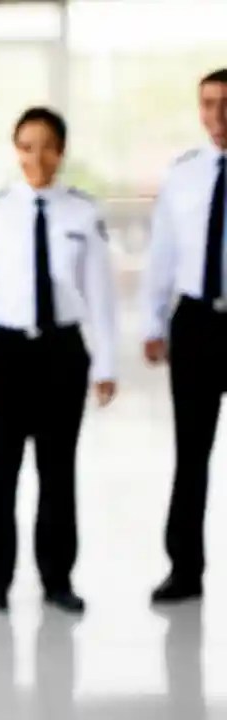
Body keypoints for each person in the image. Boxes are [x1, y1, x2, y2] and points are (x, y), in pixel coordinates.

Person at [0, 106, 118, 616]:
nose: (36, 157)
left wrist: (106, 364)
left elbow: (101, 294)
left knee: (57, 472)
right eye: (26, 146)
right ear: (15, 150)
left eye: (46, 146)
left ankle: (57, 579)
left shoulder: (82, 215)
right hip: (3, 353)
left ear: (62, 151)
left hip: (61, 353)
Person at [143, 68, 227, 606]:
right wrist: (154, 321)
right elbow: (163, 252)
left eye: (226, 104)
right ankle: (184, 569)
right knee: (191, 451)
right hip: (196, 323)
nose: (217, 117)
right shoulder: (184, 174)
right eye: (208, 104)